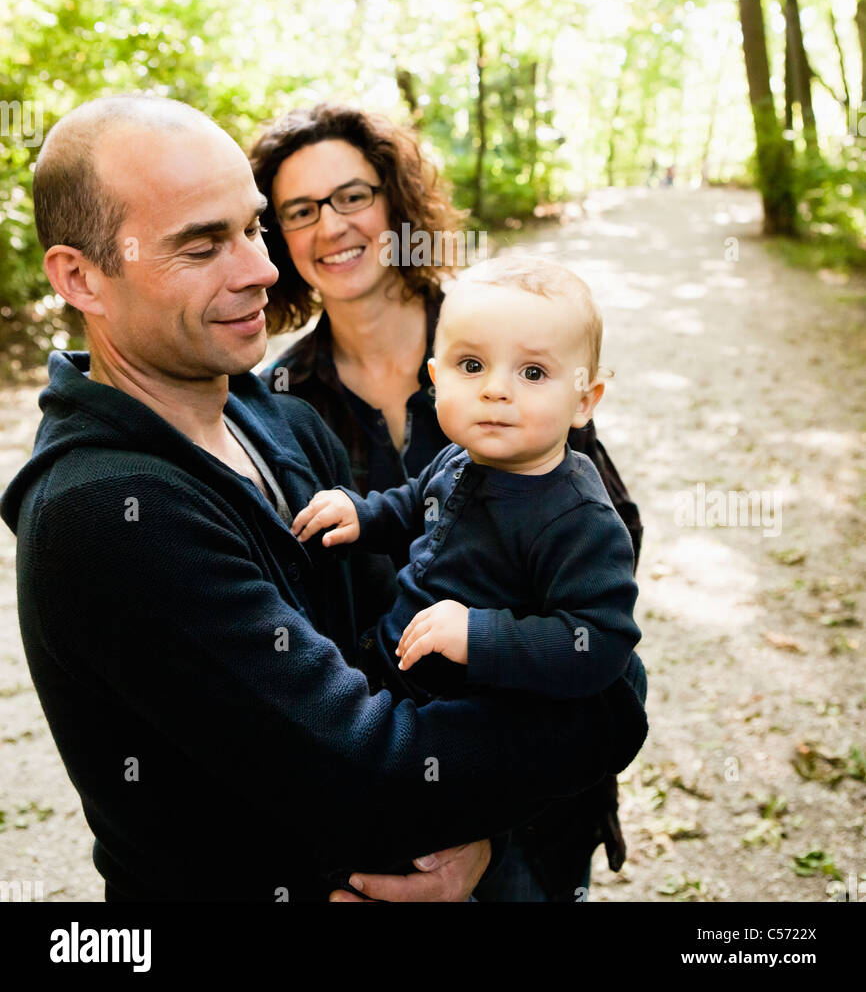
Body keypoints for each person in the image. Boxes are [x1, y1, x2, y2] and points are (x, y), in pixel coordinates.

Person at [1, 94, 648, 904]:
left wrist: (476, 841)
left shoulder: (278, 418)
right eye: (203, 245)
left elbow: (407, 641)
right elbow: (375, 768)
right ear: (80, 277)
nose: (263, 270)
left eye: (252, 229)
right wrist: (610, 706)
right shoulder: (108, 517)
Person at [251, 102, 646, 899]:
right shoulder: (278, 400)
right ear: (279, 240)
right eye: (300, 210)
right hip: (398, 750)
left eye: (353, 196)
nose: (332, 225)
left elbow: (602, 613)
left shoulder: (503, 336)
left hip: (534, 773)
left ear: (396, 203)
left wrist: (487, 836)